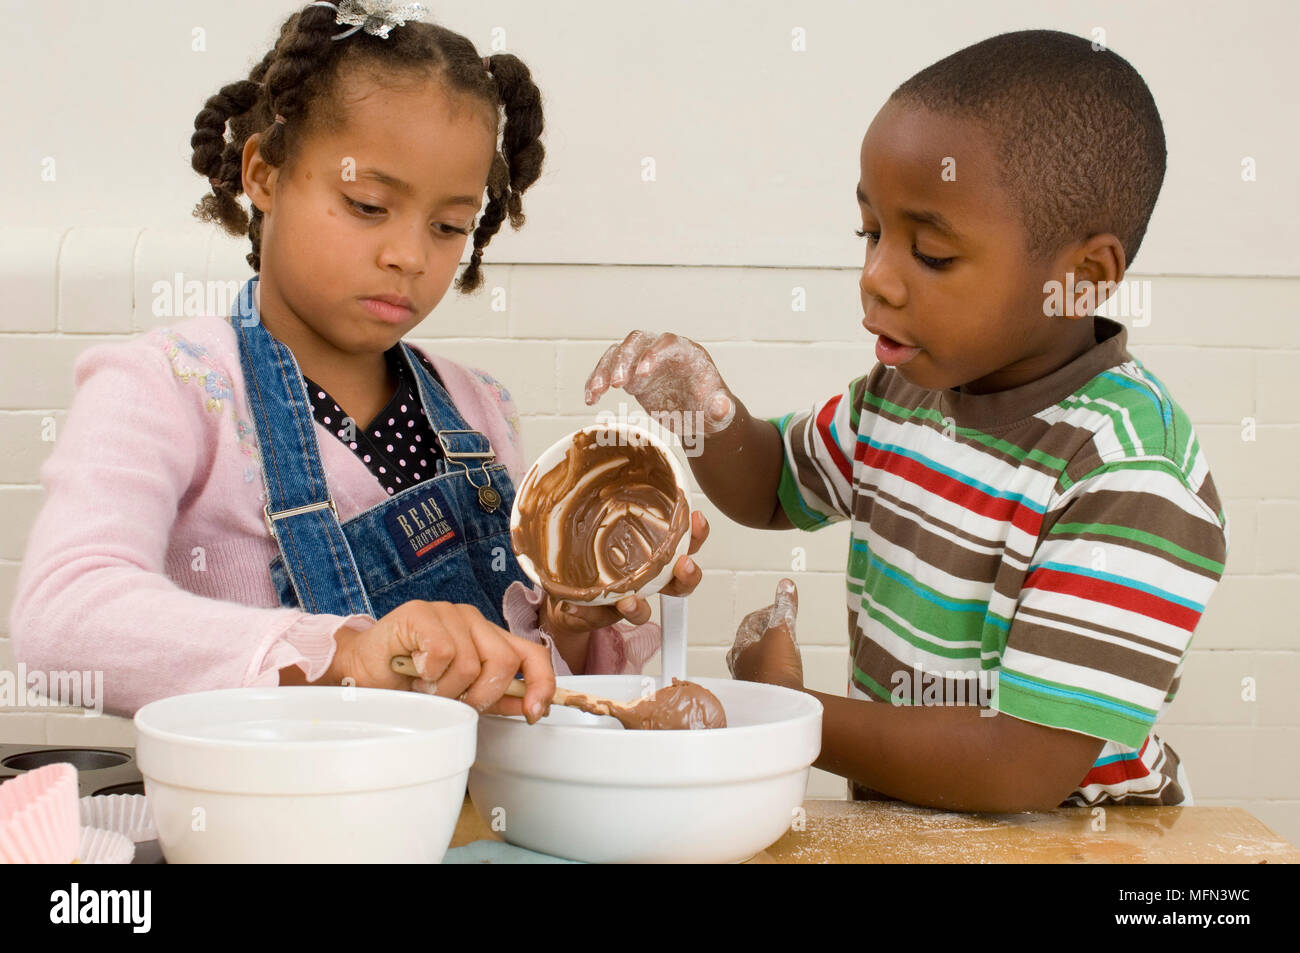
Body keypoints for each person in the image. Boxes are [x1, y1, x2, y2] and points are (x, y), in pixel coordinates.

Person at [9, 1, 705, 722]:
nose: (408, 254)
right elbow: (61, 619)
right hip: (266, 835)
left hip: (473, 831)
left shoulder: (478, 409)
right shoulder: (172, 387)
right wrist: (346, 657)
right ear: (265, 174)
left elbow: (522, 686)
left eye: (448, 226)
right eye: (369, 204)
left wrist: (569, 620)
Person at [584, 30, 1227, 810]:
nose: (875, 278)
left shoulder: (1127, 472)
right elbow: (772, 486)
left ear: (1081, 277)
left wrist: (782, 710)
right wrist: (704, 411)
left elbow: (1019, 766)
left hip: (1071, 841)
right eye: (871, 233)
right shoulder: (901, 393)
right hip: (905, 820)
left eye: (930, 253)